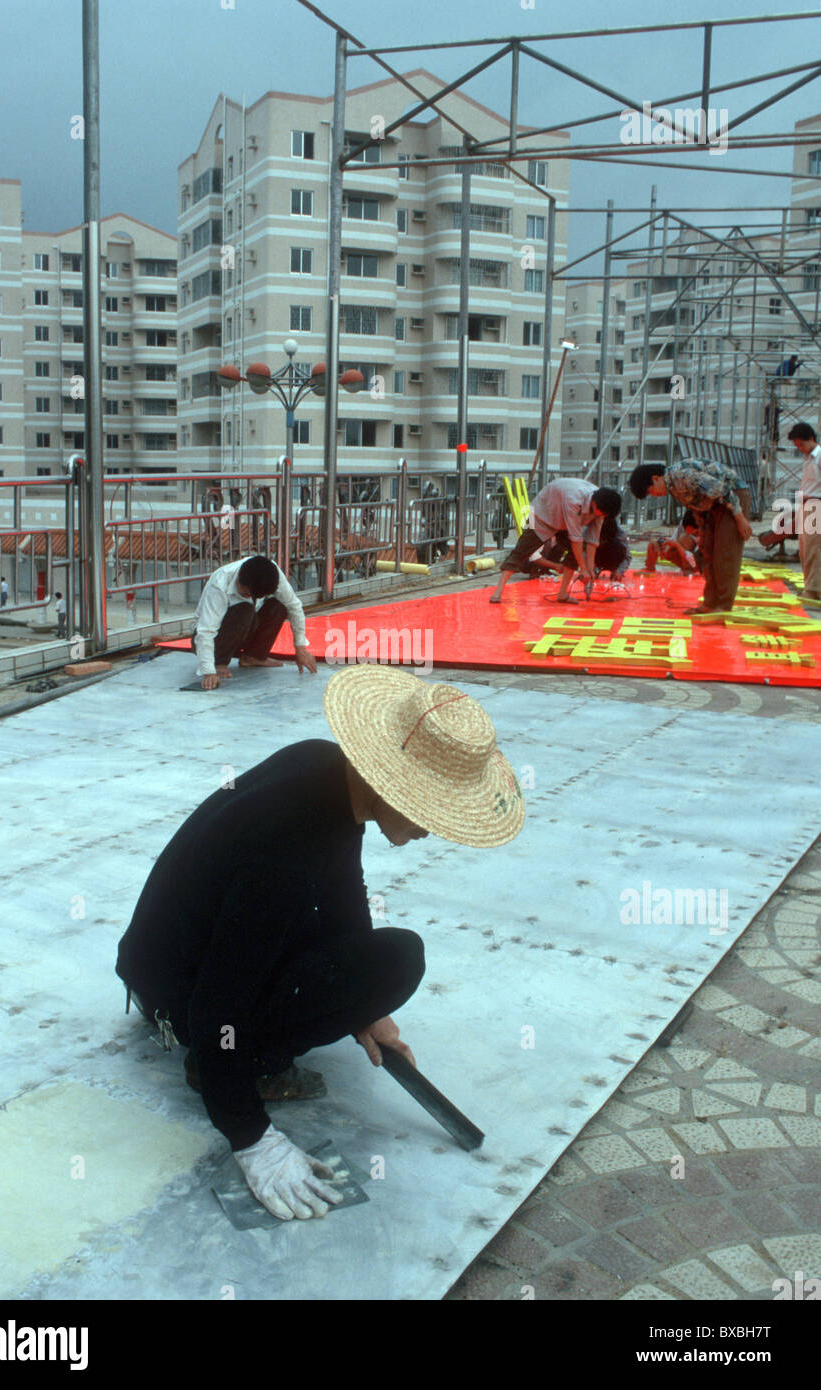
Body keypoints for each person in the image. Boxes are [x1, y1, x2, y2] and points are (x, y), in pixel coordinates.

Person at [116, 664, 524, 1222]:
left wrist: (367, 1010)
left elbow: (341, 888)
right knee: (400, 958)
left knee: (382, 963)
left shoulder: (325, 771)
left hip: (159, 960)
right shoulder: (283, 848)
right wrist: (252, 1137)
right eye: (430, 810)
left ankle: (250, 1045)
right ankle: (249, 1063)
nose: (432, 830)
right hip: (179, 1000)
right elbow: (221, 1003)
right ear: (389, 782)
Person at [629, 460, 752, 614]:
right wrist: (702, 531)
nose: (654, 495)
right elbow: (697, 506)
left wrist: (739, 518)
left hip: (732, 498)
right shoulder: (673, 487)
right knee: (705, 552)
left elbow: (723, 490)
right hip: (714, 505)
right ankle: (710, 603)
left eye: (650, 491)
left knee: (725, 552)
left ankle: (723, 606)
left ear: (656, 478)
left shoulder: (683, 476)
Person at [191, 553, 316, 691]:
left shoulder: (271, 574)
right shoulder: (220, 583)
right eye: (245, 593)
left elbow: (294, 606)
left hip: (244, 630)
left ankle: (253, 656)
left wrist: (300, 648)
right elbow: (205, 631)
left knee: (280, 605)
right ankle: (219, 661)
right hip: (215, 639)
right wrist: (209, 671)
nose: (248, 597)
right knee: (244, 610)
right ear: (239, 578)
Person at [489, 478, 622, 604]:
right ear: (594, 502)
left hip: (564, 523)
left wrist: (590, 568)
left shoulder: (603, 507)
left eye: (600, 516)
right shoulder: (574, 499)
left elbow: (592, 539)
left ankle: (562, 594)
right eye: (593, 512)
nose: (595, 517)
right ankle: (498, 591)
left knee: (576, 554)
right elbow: (576, 538)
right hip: (543, 515)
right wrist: (583, 569)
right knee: (521, 550)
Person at [786, 422, 821, 602]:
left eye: (801, 444)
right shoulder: (808, 459)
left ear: (811, 439)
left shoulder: (820, 456)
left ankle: (814, 590)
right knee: (804, 549)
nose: (799, 448)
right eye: (797, 445)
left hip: (816, 505)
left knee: (813, 549)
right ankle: (810, 586)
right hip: (806, 505)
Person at [644, 510, 702, 575]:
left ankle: (688, 570)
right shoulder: (683, 523)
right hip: (683, 553)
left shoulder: (705, 532)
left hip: (695, 563)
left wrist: (677, 545)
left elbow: (695, 560)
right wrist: (663, 547)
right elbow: (673, 540)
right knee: (653, 544)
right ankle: (649, 568)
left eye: (694, 533)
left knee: (684, 538)